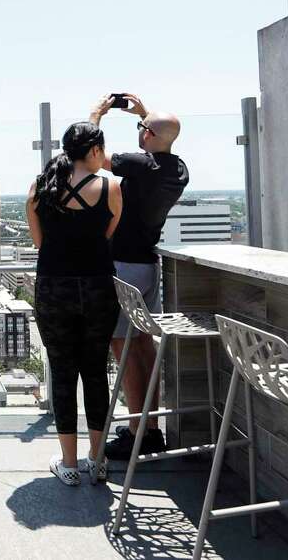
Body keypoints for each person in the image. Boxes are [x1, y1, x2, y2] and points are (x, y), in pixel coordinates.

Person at [88, 93, 188, 459]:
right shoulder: (178, 169)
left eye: (141, 128)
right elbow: (164, 141)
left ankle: (136, 433)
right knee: (143, 345)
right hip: (147, 265)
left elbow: (93, 157)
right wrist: (147, 116)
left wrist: (96, 115)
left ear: (146, 135)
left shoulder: (140, 165)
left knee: (123, 346)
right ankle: (150, 427)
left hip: (123, 267)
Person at [26, 122, 123, 486]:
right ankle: (97, 460)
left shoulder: (40, 188)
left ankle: (68, 463)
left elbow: (40, 243)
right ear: (95, 150)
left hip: (54, 287)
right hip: (98, 286)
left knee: (63, 373)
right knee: (95, 371)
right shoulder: (111, 187)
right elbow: (107, 234)